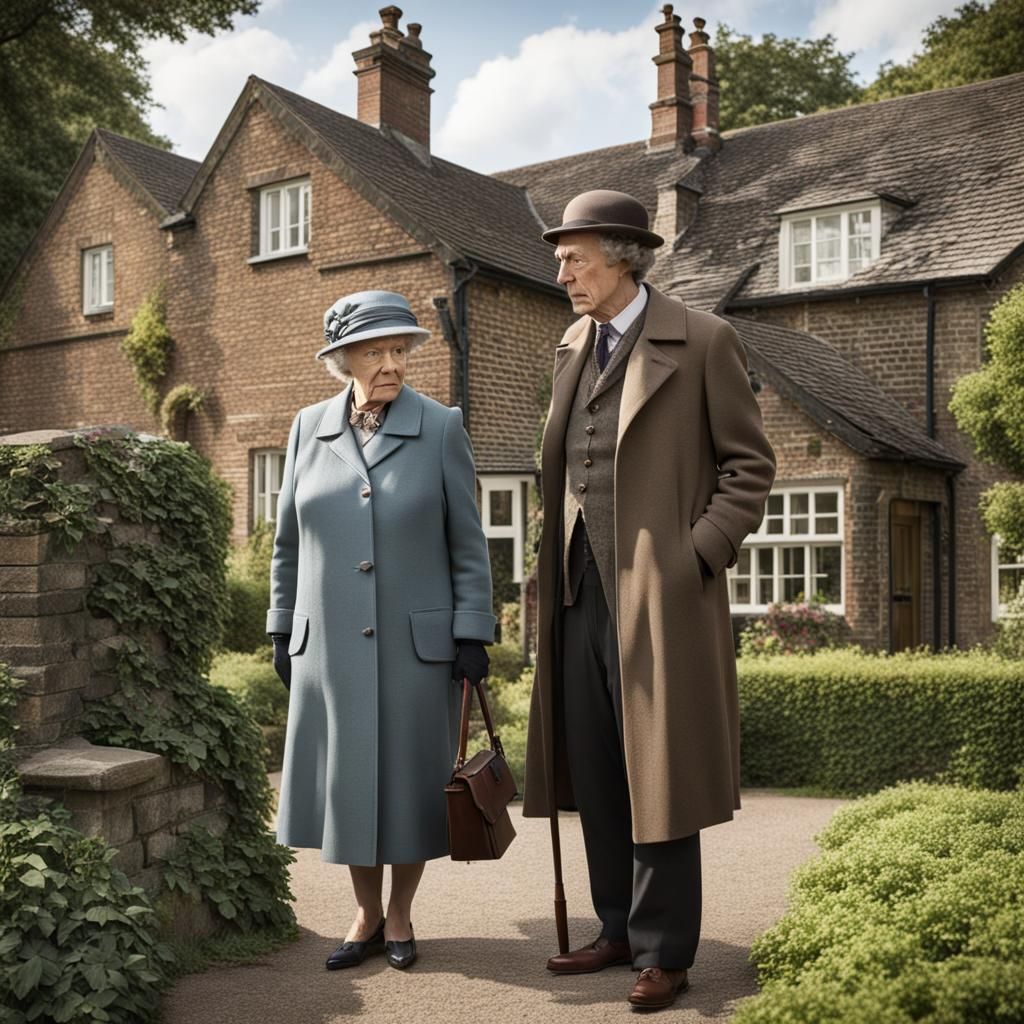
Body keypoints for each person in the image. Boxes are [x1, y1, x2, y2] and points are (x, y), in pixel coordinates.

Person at [522, 190, 777, 1011]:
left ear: (624, 256)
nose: (561, 270)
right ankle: (616, 928)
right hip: (574, 592)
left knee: (657, 775)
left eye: (575, 256)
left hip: (662, 597)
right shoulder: (569, 345)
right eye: (560, 257)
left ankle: (666, 952)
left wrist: (692, 557)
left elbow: (749, 469)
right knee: (594, 767)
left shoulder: (704, 340)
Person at [267, 290, 495, 971]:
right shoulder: (307, 428)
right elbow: (286, 541)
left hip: (415, 648)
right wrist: (282, 626)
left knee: (409, 784)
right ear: (343, 360)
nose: (392, 362)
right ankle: (364, 912)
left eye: (400, 349)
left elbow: (468, 542)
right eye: (376, 351)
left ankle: (400, 915)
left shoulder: (441, 426)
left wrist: (472, 632)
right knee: (348, 787)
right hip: (327, 648)